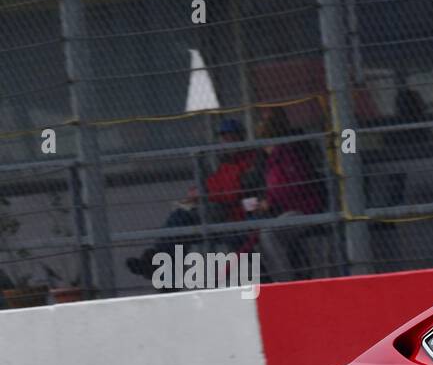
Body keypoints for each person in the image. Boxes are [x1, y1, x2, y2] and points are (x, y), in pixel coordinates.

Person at [124, 117, 261, 283]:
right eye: (224, 137)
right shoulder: (226, 163)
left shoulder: (249, 160)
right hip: (216, 213)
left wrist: (204, 193)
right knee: (181, 224)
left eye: (231, 137)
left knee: (183, 218)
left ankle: (158, 265)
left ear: (241, 137)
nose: (227, 141)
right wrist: (197, 192)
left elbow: (233, 190)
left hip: (234, 217)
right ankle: (162, 271)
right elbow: (215, 183)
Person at [250, 109, 325, 281]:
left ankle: (285, 282)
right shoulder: (269, 161)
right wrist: (265, 202)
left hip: (303, 210)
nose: (265, 148)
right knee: (254, 233)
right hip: (281, 211)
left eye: (267, 144)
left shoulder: (289, 155)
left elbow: (294, 189)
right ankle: (271, 281)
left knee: (269, 234)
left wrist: (270, 202)